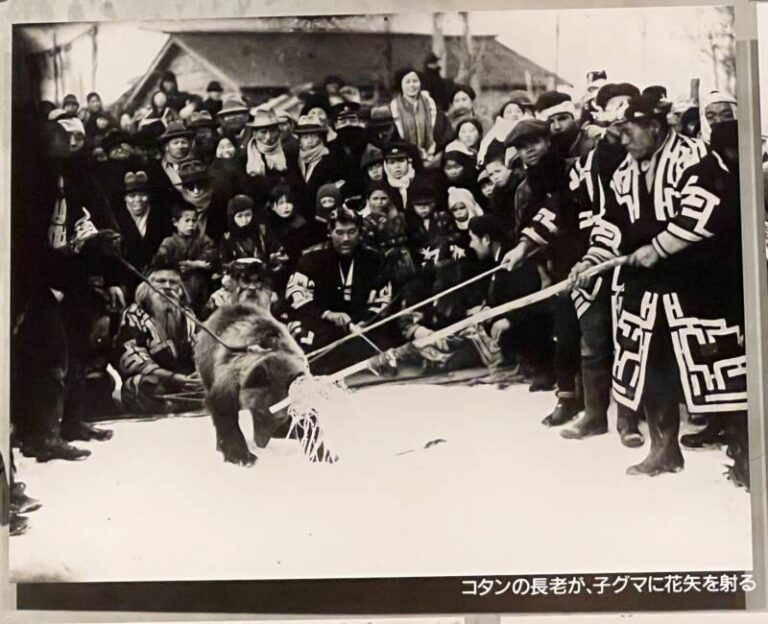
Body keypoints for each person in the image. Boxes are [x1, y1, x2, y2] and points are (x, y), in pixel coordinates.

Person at [570, 92, 716, 477]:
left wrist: (660, 247)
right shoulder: (623, 172)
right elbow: (611, 223)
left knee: (714, 363)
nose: (622, 139)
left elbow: (703, 210)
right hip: (646, 285)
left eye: (628, 130)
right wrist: (592, 259)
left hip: (696, 279)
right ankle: (664, 448)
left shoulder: (695, 157)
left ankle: (741, 447)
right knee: (651, 360)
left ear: (654, 127)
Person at [13, 114, 119, 462]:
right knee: (47, 354)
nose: (72, 144)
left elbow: (91, 223)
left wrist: (99, 251)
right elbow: (30, 239)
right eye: (64, 138)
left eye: (77, 138)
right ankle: (41, 433)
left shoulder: (76, 177)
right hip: (37, 279)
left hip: (68, 277)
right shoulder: (32, 178)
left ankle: (70, 421)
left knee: (74, 349)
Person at [285, 207, 393, 374]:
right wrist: (328, 314)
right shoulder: (311, 259)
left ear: (360, 232)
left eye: (352, 232)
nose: (346, 239)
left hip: (359, 324)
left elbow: (383, 297)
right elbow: (296, 296)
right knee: (306, 338)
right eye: (340, 232)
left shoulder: (373, 259)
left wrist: (367, 320)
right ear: (330, 232)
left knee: (383, 337)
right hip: (319, 322)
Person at [113, 263, 202, 414]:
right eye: (160, 281)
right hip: (158, 381)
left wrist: (200, 374)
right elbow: (131, 357)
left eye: (173, 282)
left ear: (180, 290)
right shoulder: (134, 315)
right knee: (144, 385)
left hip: (188, 382)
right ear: (147, 286)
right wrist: (173, 377)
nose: (167, 287)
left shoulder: (188, 316)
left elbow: (203, 349)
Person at [114, 171, 173, 299]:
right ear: (125, 197)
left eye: (142, 194)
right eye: (132, 195)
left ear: (149, 195)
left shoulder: (161, 217)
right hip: (126, 280)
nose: (138, 200)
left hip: (157, 280)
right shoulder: (115, 219)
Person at [153, 202, 218, 315]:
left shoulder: (203, 240)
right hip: (177, 288)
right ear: (175, 222)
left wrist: (195, 264)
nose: (191, 224)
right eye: (187, 221)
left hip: (201, 289)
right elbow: (159, 261)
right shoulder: (169, 242)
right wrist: (174, 265)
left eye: (194, 220)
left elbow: (211, 257)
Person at [389, 67, 453, 170]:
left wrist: (438, 154)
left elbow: (445, 132)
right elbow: (392, 138)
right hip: (404, 163)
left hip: (433, 161)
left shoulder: (431, 106)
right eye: (407, 82)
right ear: (400, 85)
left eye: (415, 81)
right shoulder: (393, 108)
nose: (412, 85)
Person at [294, 114, 345, 220]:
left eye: (313, 136)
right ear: (300, 140)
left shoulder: (330, 158)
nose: (309, 140)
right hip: (299, 215)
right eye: (305, 137)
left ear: (320, 137)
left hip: (322, 213)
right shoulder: (294, 159)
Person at [146, 120, 195, 217]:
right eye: (175, 143)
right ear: (166, 147)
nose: (180, 146)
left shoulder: (197, 165)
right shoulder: (155, 170)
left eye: (184, 142)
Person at [535, 90, 590, 159]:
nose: (557, 126)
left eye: (562, 119)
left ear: (573, 118)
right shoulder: (543, 150)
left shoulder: (590, 145)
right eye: (550, 121)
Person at [219, 194, 267, 265]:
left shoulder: (262, 232)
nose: (244, 220)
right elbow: (224, 263)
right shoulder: (227, 238)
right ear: (232, 218)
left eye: (248, 215)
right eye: (239, 216)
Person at [383, 141, 417, 210]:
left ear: (408, 162)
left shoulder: (418, 183)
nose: (397, 166)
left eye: (401, 161)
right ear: (386, 165)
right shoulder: (382, 188)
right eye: (392, 162)